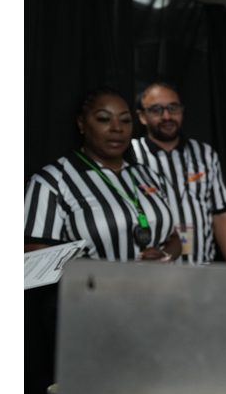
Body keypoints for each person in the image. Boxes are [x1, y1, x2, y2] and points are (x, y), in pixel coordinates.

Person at [25, 86, 180, 262]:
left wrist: (165, 256)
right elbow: (35, 257)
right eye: (104, 119)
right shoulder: (52, 181)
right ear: (81, 124)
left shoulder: (148, 175)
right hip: (91, 288)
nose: (117, 128)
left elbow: (173, 237)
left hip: (157, 288)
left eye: (125, 120)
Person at [131, 82, 226, 265]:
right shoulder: (130, 155)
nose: (167, 116)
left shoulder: (204, 153)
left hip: (202, 268)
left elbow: (220, 214)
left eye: (173, 108)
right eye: (157, 110)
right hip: (153, 272)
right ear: (141, 116)